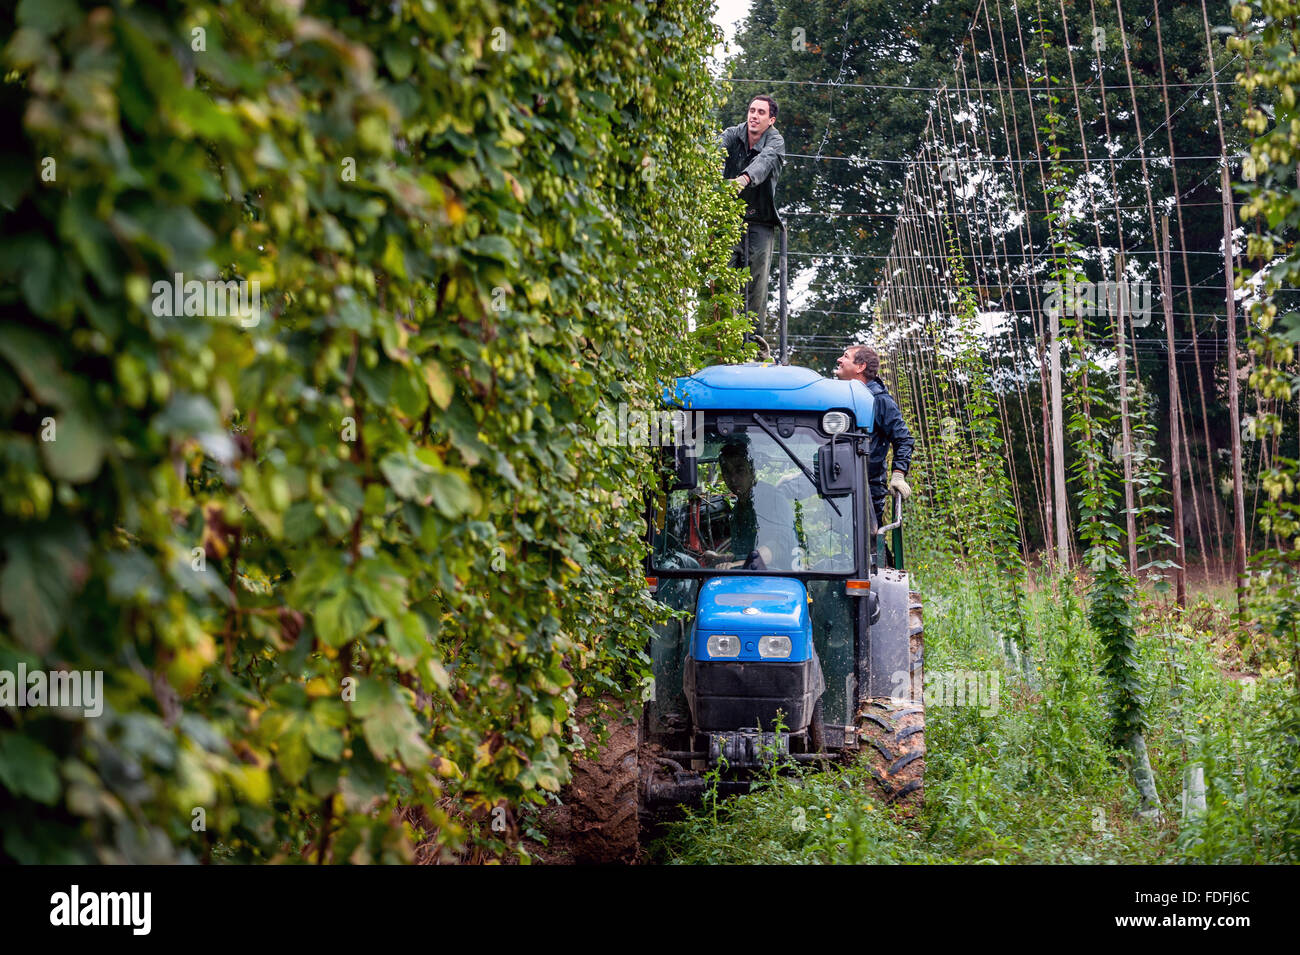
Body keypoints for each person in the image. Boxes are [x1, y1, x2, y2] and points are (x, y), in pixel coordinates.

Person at [720, 95, 785, 357]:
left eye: (761, 112)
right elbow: (716, 147)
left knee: (755, 282)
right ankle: (721, 335)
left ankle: (753, 343)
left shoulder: (775, 141)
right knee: (721, 272)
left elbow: (766, 160)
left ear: (771, 120)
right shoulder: (732, 135)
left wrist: (743, 179)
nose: (754, 116)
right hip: (728, 216)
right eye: (751, 110)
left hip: (759, 219)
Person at [834, 345, 914, 527]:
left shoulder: (879, 399)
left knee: (869, 543)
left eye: (845, 356)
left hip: (867, 488)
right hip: (840, 483)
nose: (839, 359)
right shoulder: (845, 397)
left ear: (860, 367)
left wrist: (898, 474)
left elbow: (903, 439)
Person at [712, 437, 796, 570]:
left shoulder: (771, 498)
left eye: (740, 470)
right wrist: (720, 558)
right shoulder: (740, 508)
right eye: (727, 472)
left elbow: (777, 545)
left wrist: (735, 565)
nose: (733, 479)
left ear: (752, 470)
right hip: (748, 577)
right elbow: (745, 553)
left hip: (778, 578)